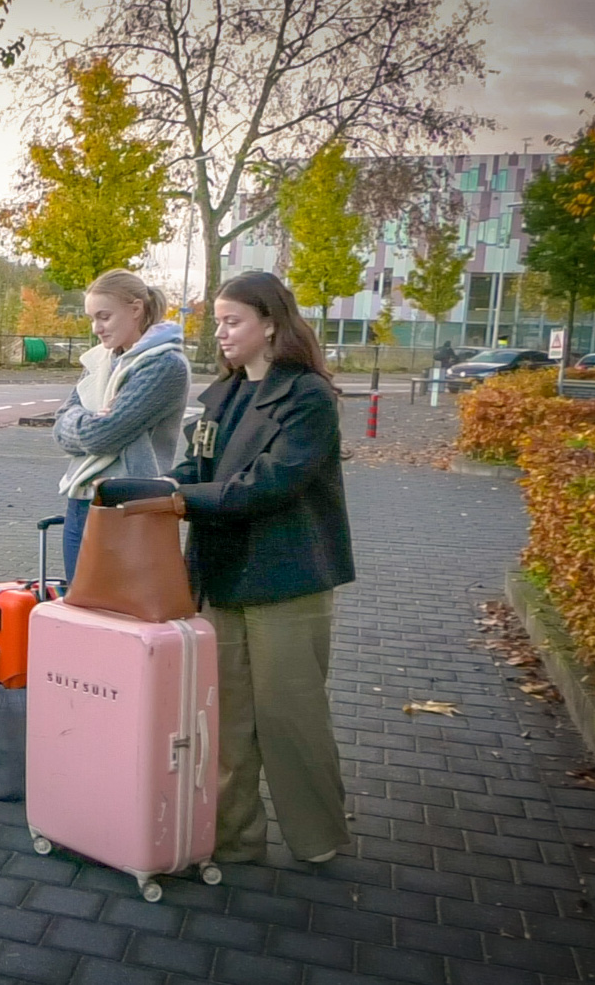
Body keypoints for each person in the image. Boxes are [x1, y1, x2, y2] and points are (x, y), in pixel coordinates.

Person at [166, 270, 356, 866]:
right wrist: (147, 488)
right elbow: (196, 472)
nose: (219, 333)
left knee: (291, 720)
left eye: (232, 322)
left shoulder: (309, 397)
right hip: (222, 576)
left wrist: (178, 501)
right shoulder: (222, 395)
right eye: (217, 321)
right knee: (226, 722)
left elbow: (270, 485)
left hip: (286, 580)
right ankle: (235, 839)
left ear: (270, 324)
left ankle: (318, 842)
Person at [52, 269, 191, 580]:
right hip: (82, 497)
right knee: (82, 608)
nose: (96, 328)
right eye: (92, 318)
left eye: (104, 317)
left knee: (114, 614)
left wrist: (87, 422)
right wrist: (89, 420)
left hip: (126, 504)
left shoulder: (164, 365)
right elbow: (60, 423)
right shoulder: (103, 360)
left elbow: (103, 435)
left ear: (135, 309)